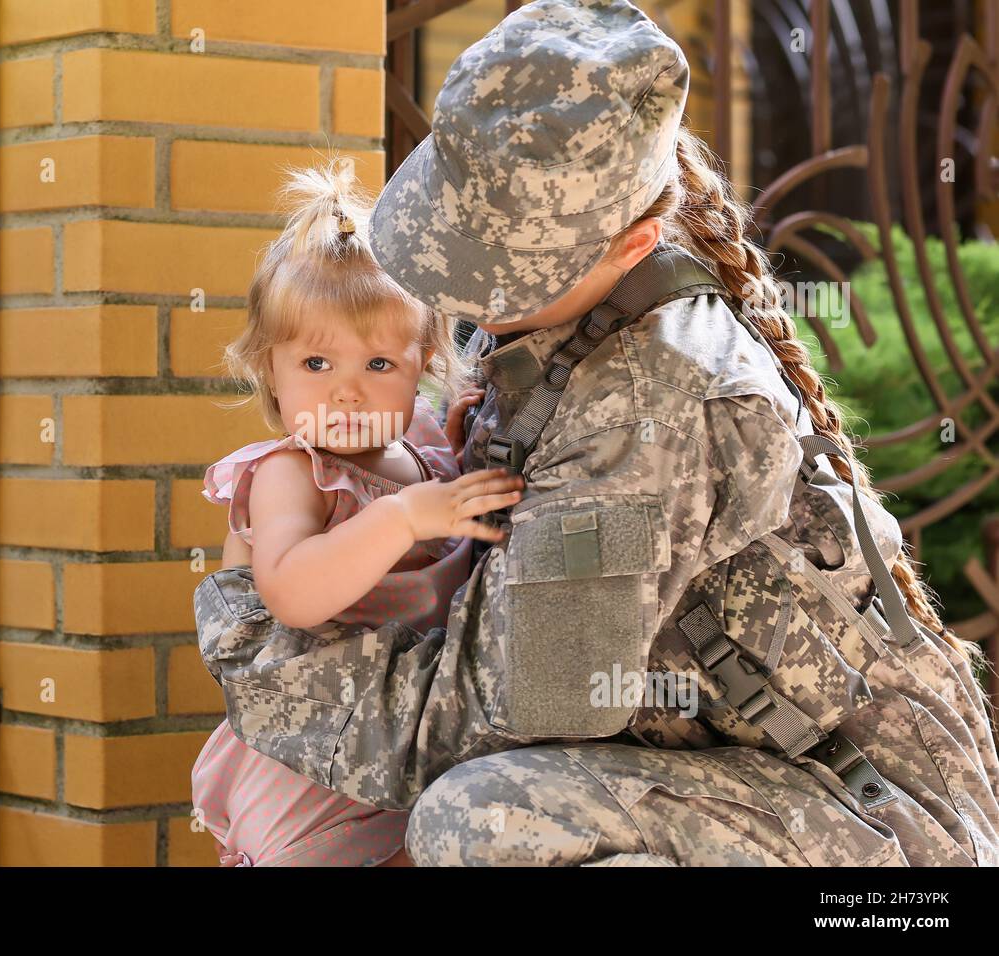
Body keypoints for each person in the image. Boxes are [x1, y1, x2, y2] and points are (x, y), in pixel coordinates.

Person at [194, 0, 999, 866]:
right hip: (726, 767)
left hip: (870, 835)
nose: (464, 299)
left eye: (500, 272)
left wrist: (250, 640)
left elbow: (489, 717)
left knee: (485, 819)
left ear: (635, 242)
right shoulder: (558, 325)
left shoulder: (648, 409)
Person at [189, 162, 523, 866]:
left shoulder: (424, 450)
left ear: (423, 363)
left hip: (400, 728)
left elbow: (443, 522)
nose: (347, 394)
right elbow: (292, 591)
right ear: (267, 367)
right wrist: (402, 519)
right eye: (316, 364)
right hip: (312, 751)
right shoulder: (291, 474)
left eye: (378, 367)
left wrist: (460, 456)